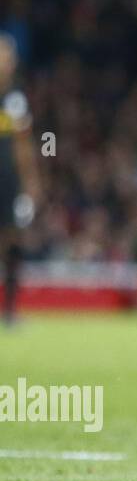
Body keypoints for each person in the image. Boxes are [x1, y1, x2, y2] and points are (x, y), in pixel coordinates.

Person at [0, 35, 38, 327]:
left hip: (8, 181)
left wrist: (31, 183)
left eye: (8, 58)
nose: (5, 63)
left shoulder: (15, 100)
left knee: (13, 241)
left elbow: (24, 145)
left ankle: (11, 311)